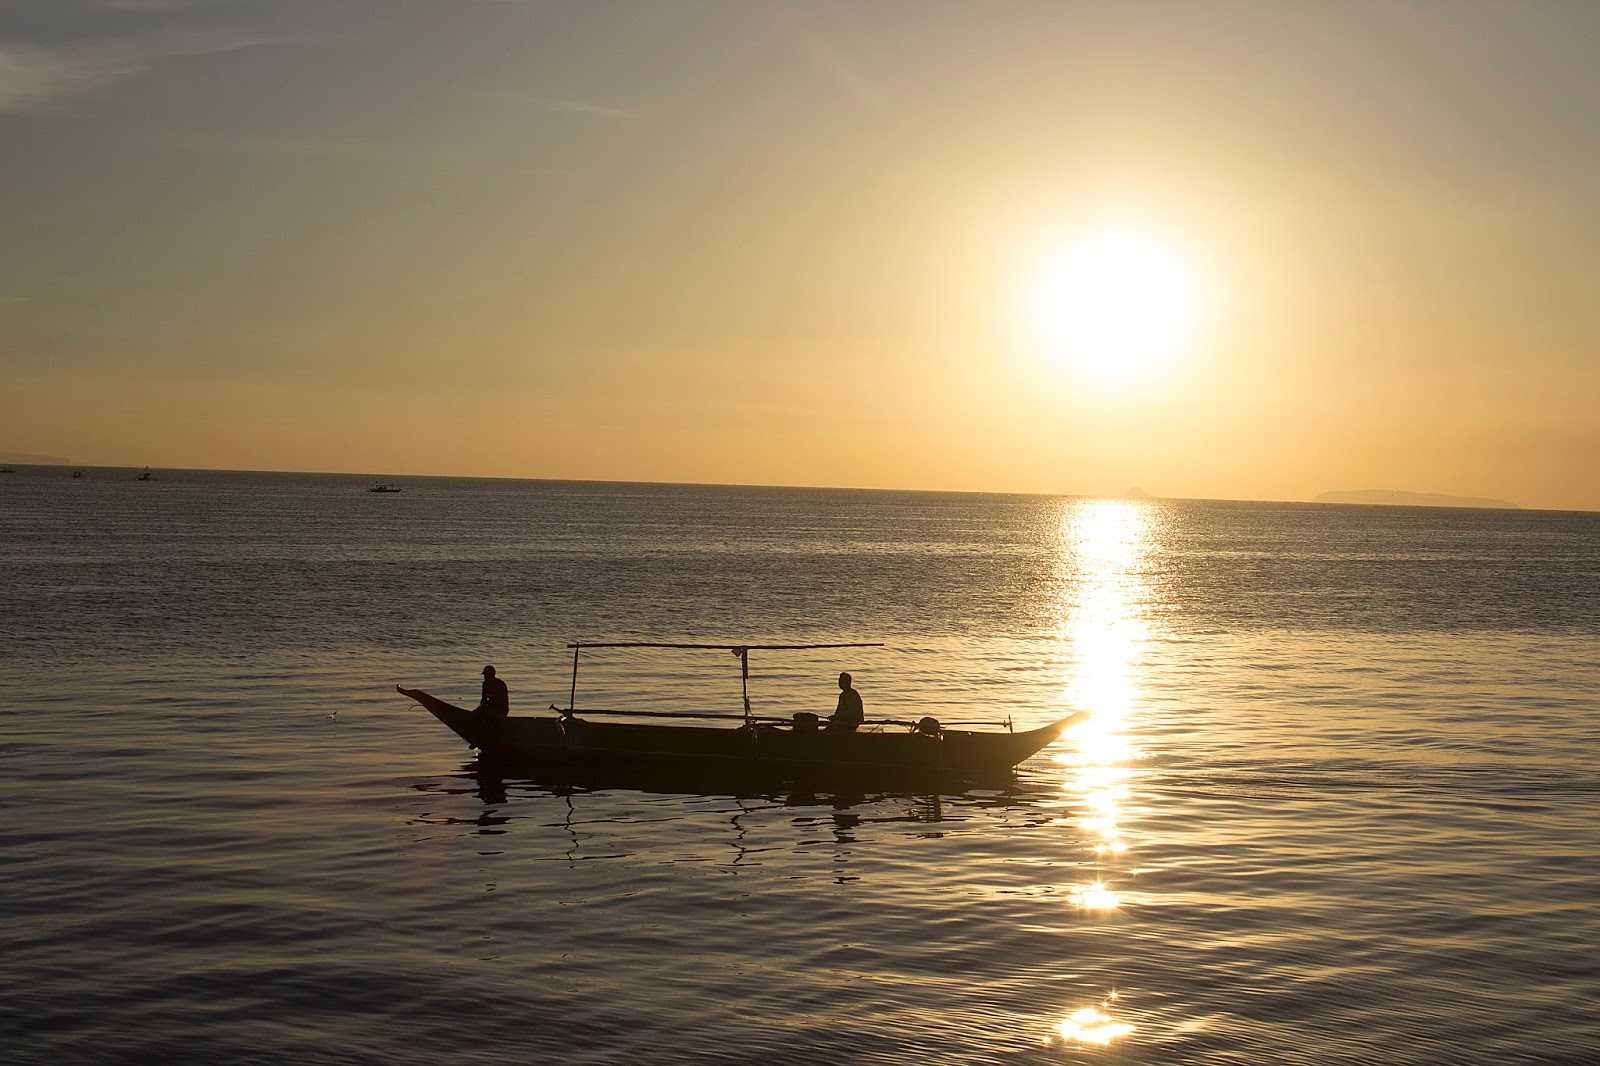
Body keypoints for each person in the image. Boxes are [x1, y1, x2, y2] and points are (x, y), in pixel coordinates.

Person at [476, 664, 509, 733]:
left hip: (500, 709)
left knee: (490, 717)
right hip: (490, 708)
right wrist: (481, 708)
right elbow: (483, 699)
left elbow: (504, 702)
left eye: (486, 675)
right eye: (485, 675)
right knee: (477, 713)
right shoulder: (485, 684)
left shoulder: (500, 684)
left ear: (491, 675)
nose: (485, 677)